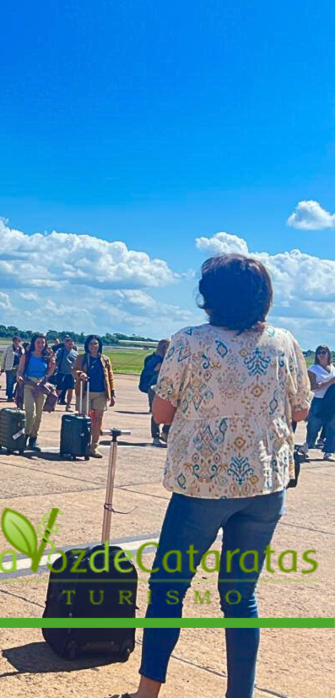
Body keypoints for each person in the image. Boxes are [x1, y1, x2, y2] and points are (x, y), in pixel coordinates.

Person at [112, 254, 311, 698]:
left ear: (211, 299)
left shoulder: (188, 342)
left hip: (201, 485)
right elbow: (300, 408)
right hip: (265, 485)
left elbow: (162, 412)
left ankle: (148, 693)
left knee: (169, 589)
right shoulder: (285, 342)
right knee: (241, 597)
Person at [73, 334, 115, 458]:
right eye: (91, 344)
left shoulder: (105, 360)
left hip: (101, 393)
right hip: (85, 391)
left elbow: (110, 377)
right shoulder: (82, 358)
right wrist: (80, 374)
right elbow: (74, 370)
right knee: (84, 419)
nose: (93, 346)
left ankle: (94, 446)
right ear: (87, 345)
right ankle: (81, 445)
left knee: (97, 419)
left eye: (95, 343)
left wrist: (112, 393)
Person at [15, 334, 56, 452]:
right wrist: (19, 377)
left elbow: (51, 370)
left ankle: (33, 439)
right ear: (34, 343)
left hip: (41, 386)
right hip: (29, 384)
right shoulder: (27, 355)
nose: (40, 345)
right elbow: (20, 371)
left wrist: (51, 369)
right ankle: (25, 436)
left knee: (38, 415)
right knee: (30, 412)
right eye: (38, 342)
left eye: (43, 343)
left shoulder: (47, 356)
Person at [304, 344, 335, 461]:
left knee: (332, 426)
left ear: (328, 354)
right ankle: (308, 444)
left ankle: (328, 451)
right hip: (319, 400)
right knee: (314, 425)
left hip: (332, 401)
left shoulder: (333, 368)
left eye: (324, 352)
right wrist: (329, 382)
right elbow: (312, 387)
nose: (321, 355)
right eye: (319, 353)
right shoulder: (313, 369)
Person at [141, 339, 171, 446]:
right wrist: (155, 369)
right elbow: (146, 372)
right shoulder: (155, 359)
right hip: (154, 387)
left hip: (167, 387)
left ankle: (166, 431)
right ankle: (155, 436)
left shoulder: (171, 359)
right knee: (155, 411)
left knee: (170, 410)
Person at [54, 336, 77, 411]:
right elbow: (55, 360)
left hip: (71, 374)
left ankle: (68, 405)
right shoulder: (61, 351)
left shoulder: (75, 353)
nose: (70, 343)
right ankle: (52, 403)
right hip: (62, 373)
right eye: (68, 341)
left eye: (71, 342)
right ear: (65, 343)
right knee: (59, 389)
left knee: (70, 390)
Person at [0, 336, 23, 400]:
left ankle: (15, 394)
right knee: (10, 382)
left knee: (19, 382)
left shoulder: (22, 349)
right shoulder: (8, 348)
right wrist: (2, 367)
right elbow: (4, 358)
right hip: (9, 367)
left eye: (17, 341)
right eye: (15, 341)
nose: (16, 342)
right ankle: (9, 396)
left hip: (19, 368)